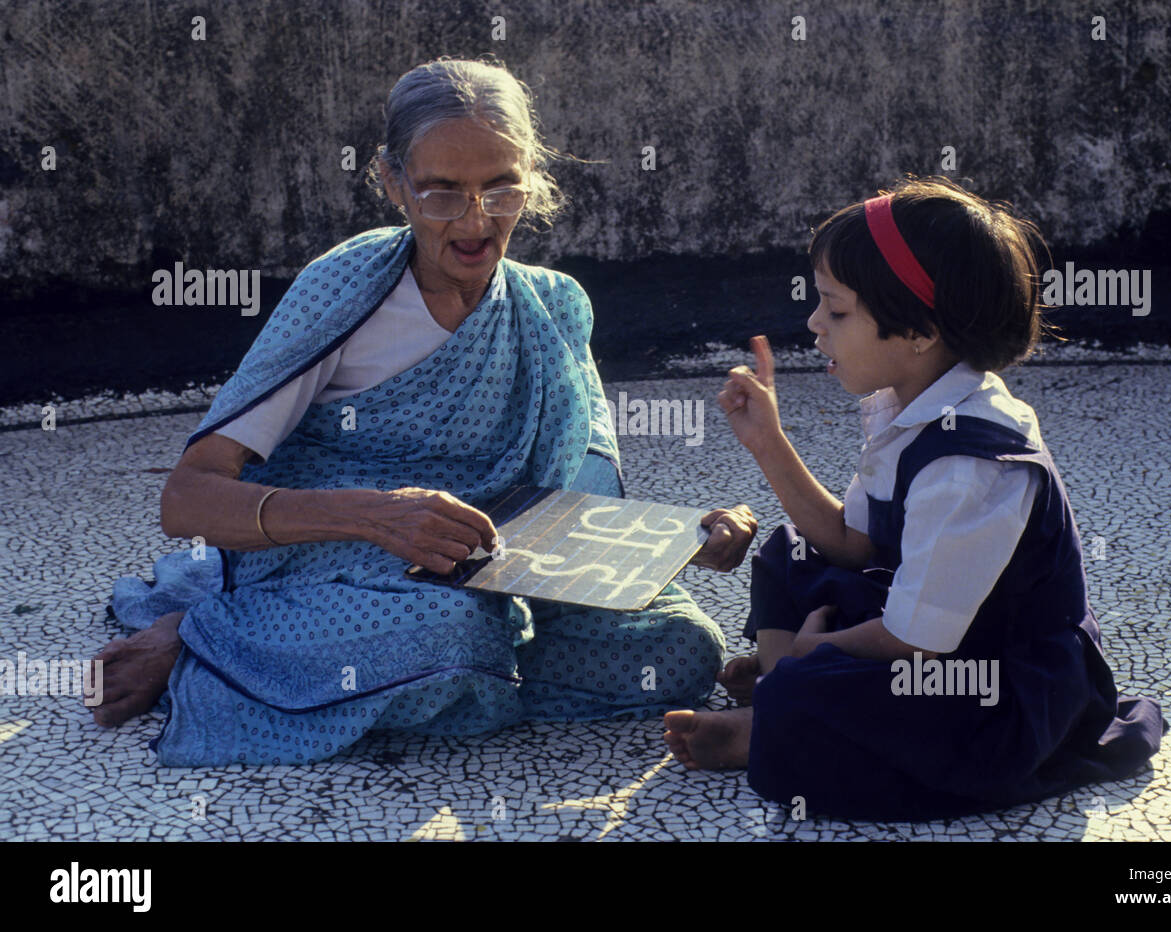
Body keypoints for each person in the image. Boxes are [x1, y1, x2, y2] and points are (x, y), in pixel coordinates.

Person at [96, 58, 755, 766]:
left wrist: (682, 538)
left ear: (531, 179)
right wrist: (379, 517)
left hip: (490, 564)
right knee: (450, 635)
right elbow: (189, 498)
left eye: (501, 189)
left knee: (683, 649)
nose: (475, 223)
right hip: (335, 554)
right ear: (393, 184)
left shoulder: (553, 305)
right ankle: (207, 634)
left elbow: (577, 506)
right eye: (442, 193)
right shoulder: (346, 293)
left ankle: (376, 670)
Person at [663, 177, 1165, 820]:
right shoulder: (909, 407)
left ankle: (773, 714)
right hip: (932, 628)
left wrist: (820, 651)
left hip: (990, 678)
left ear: (921, 331)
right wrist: (768, 441)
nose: (814, 324)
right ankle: (783, 695)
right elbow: (852, 542)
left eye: (837, 311)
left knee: (812, 687)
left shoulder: (970, 467)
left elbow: (916, 644)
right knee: (789, 553)